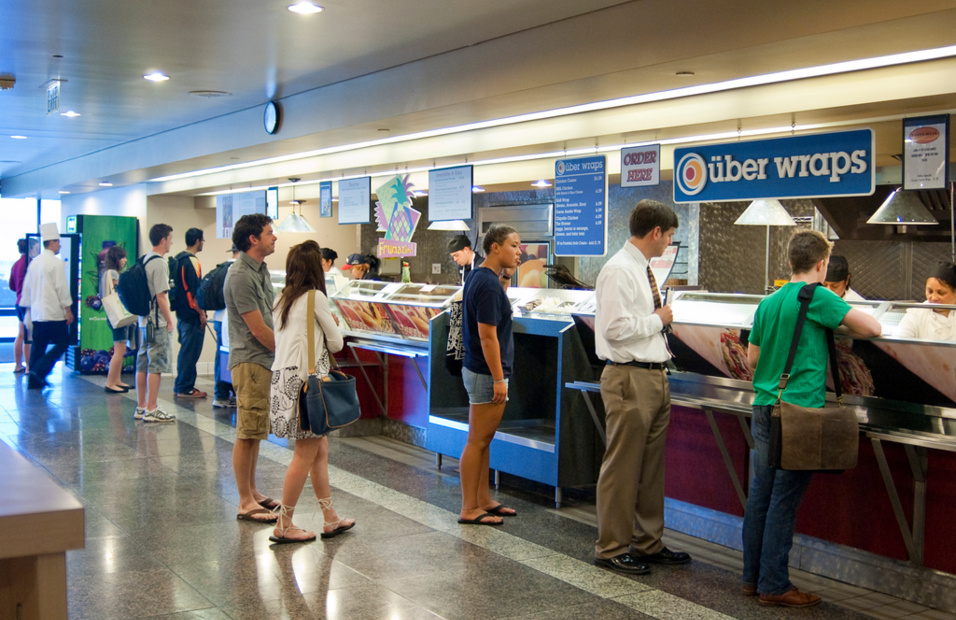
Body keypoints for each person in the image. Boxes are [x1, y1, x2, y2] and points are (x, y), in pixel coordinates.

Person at [742, 230, 881, 607]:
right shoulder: (818, 296)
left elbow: (752, 360)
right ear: (821, 264)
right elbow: (874, 328)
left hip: (765, 405)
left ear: (790, 262)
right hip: (799, 411)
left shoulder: (769, 302)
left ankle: (751, 579)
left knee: (761, 495)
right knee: (784, 501)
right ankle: (774, 585)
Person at [592, 199, 689, 575]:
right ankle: (611, 547)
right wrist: (657, 319)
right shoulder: (619, 270)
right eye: (668, 236)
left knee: (650, 468)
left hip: (653, 375)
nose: (668, 243)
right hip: (629, 377)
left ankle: (648, 542)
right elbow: (615, 329)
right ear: (655, 233)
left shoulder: (641, 268)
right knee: (622, 467)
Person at [268, 240, 355, 543]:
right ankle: (284, 524)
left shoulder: (282, 298)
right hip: (308, 385)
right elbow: (336, 344)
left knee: (318, 451)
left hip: (283, 380)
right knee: (304, 454)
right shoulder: (315, 297)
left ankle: (330, 517)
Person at [457, 224, 522, 526]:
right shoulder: (487, 284)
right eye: (514, 245)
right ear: (495, 247)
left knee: (483, 441)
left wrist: (505, 279)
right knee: (477, 442)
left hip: (477, 369)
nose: (519, 251)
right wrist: (498, 378)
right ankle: (469, 508)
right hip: (486, 373)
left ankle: (482, 499)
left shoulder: (480, 276)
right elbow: (488, 337)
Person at [225, 213, 280, 524]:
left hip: (262, 361)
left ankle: (253, 490)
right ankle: (245, 501)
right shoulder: (241, 276)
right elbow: (258, 329)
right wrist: (286, 353)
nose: (274, 238)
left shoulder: (259, 270)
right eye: (269, 233)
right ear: (253, 240)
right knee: (247, 431)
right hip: (251, 361)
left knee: (256, 429)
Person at [20, 223, 74, 390]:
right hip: (54, 313)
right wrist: (68, 309)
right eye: (58, 242)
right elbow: (61, 288)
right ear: (52, 243)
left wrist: (28, 310)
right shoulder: (56, 263)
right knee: (63, 342)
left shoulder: (35, 263)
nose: (60, 245)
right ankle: (39, 370)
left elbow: (27, 287)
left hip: (37, 313)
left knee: (39, 345)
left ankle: (34, 380)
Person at [133, 224, 177, 423]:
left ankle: (141, 405)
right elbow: (161, 295)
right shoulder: (159, 263)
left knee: (143, 361)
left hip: (144, 321)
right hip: (157, 321)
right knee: (156, 364)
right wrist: (169, 319)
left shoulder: (144, 259)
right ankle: (152, 408)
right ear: (162, 240)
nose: (171, 242)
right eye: (170, 238)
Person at [172, 227, 208, 398]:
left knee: (185, 350)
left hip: (181, 313)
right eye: (202, 241)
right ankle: (185, 388)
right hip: (192, 314)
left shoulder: (178, 258)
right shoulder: (192, 261)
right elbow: (194, 292)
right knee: (190, 352)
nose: (202, 244)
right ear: (197, 241)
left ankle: (181, 385)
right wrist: (202, 313)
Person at [101, 246, 135, 393]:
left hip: (111, 315)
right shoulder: (113, 273)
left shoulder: (104, 273)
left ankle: (117, 380)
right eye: (122, 257)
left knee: (119, 349)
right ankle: (110, 382)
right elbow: (120, 291)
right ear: (116, 259)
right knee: (119, 350)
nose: (125, 260)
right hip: (117, 315)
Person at [895, 261, 956, 340]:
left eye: (941, 293)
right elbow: (899, 342)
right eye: (930, 291)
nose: (933, 297)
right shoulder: (916, 314)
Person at [213, 245, 239, 409]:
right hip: (229, 319)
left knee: (221, 356)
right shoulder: (236, 270)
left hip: (218, 317)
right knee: (229, 357)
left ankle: (223, 393)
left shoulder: (221, 267)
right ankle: (222, 394)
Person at [9, 237, 37, 374]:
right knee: (28, 336)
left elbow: (11, 286)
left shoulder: (15, 264)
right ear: (31, 249)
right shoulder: (30, 264)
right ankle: (29, 367)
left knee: (21, 334)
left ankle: (18, 365)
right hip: (28, 303)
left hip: (18, 302)